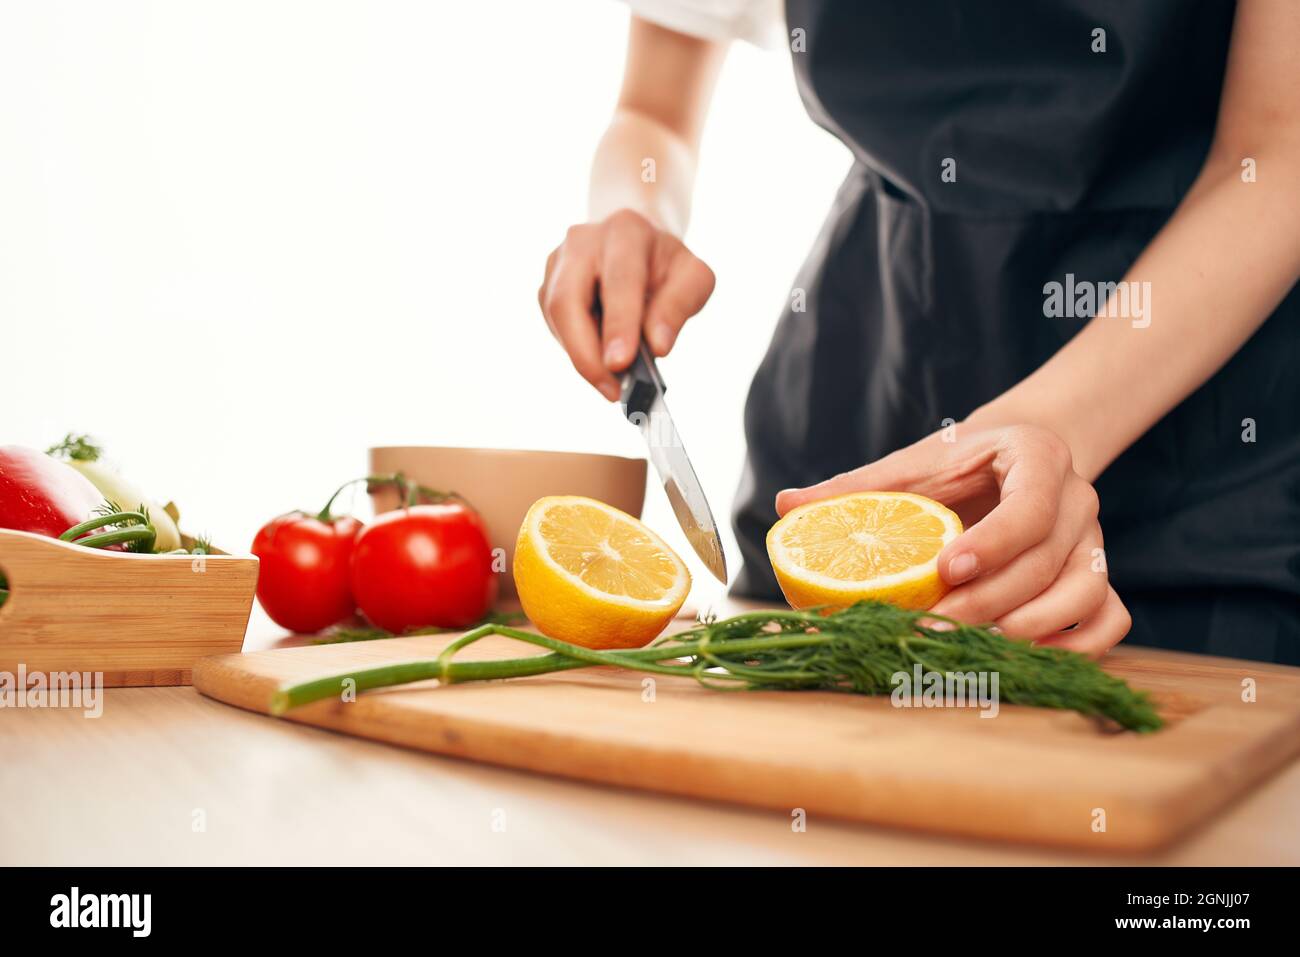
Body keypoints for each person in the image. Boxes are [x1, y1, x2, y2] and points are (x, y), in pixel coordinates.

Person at [537, 0, 1300, 664]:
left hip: (1200, 457)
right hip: (868, 378)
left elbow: (1275, 155)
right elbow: (652, 114)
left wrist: (1046, 428)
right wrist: (628, 212)